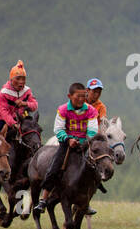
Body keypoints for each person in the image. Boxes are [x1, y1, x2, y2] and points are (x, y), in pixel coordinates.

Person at [34, 83, 98, 211]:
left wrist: (84, 142)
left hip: (84, 144)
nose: (81, 99)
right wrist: (68, 140)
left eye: (83, 96)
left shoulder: (91, 110)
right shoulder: (63, 109)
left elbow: (92, 130)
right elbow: (58, 129)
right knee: (54, 167)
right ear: (69, 96)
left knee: (95, 168)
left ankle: (86, 202)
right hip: (66, 144)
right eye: (77, 96)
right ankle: (44, 199)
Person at [0, 60, 38, 137]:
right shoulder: (4, 92)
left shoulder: (27, 91)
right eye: (18, 79)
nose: (21, 82)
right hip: (3, 121)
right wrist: (13, 124)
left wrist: (24, 103)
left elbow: (34, 106)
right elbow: (4, 112)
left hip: (21, 120)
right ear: (11, 79)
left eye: (23, 79)